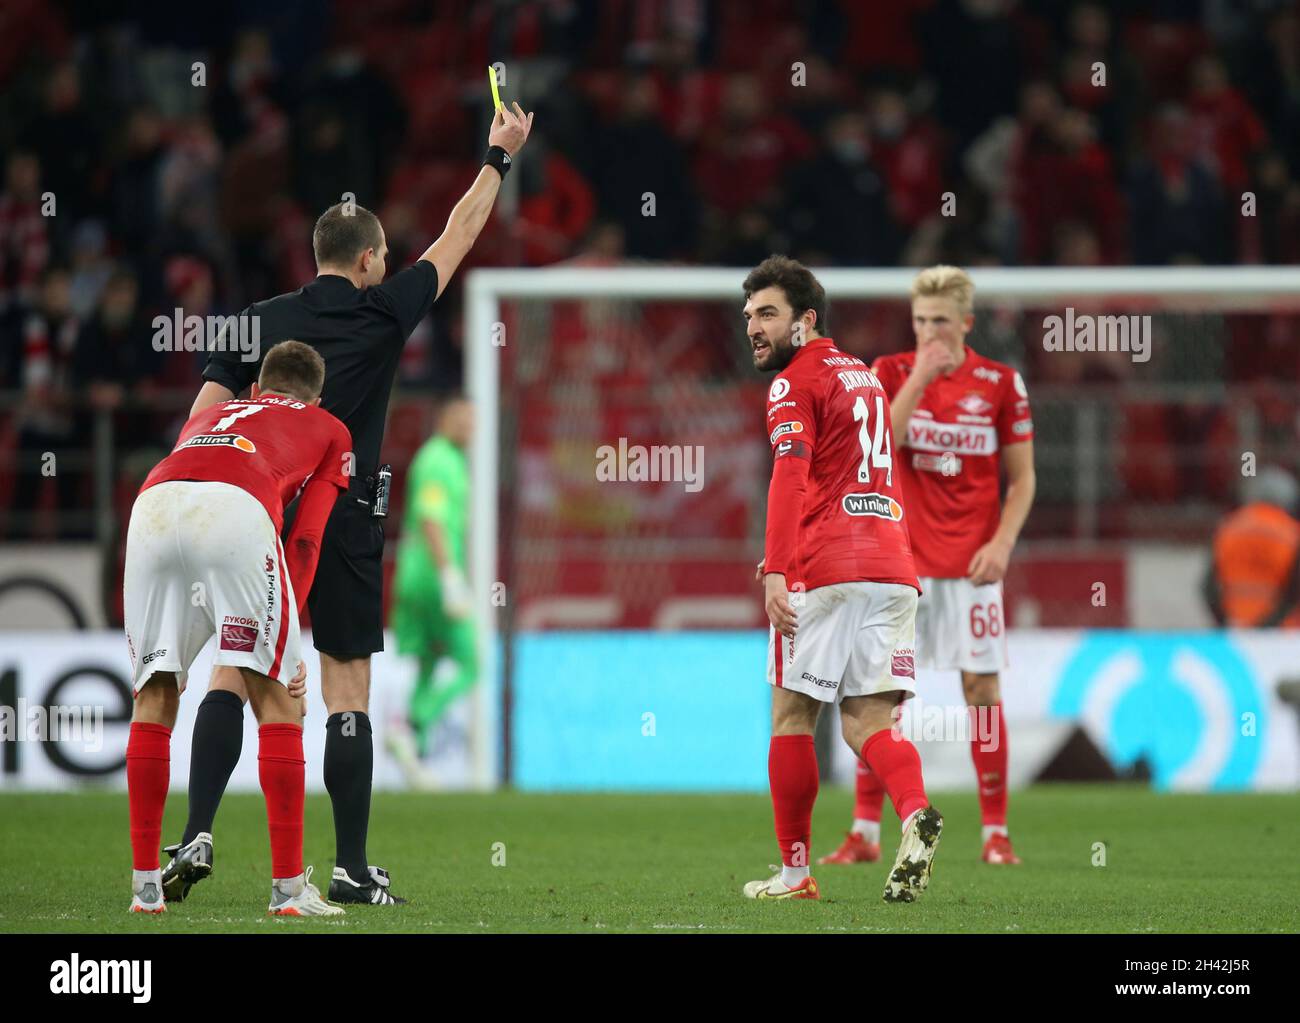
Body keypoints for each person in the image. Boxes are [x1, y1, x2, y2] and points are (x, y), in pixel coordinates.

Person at [161, 102, 533, 906]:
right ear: (368, 260)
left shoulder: (255, 322)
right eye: (386, 256)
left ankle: (196, 828)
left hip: (255, 517)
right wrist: (498, 157)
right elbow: (459, 235)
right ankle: (350, 867)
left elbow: (198, 428)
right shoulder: (385, 311)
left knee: (233, 666)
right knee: (347, 686)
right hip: (349, 513)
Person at [818, 265, 1036, 868]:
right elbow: (878, 445)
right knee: (878, 699)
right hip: (900, 566)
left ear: (966, 322)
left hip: (972, 569)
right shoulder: (888, 372)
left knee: (982, 693)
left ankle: (995, 833)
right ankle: (864, 831)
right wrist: (920, 375)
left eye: (940, 321)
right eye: (920, 321)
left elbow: (1022, 481)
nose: (929, 332)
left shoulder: (1000, 383)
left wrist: (1003, 545)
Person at [123, 341, 350, 916]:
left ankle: (146, 889)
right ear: (316, 397)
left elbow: (194, 474)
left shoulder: (209, 415)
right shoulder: (330, 428)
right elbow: (305, 538)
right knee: (278, 700)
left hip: (153, 500)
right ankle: (289, 891)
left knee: (154, 696)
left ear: (254, 390)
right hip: (237, 508)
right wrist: (289, 645)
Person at [743, 255, 942, 904]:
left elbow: (792, 475)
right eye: (748, 315)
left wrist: (777, 566)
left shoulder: (792, 382)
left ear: (805, 321)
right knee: (867, 724)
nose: (753, 326)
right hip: (892, 566)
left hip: (824, 569)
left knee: (792, 716)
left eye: (767, 313)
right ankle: (915, 812)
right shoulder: (863, 376)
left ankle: (796, 875)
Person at [387, 395, 476, 787]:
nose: (469, 427)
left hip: (414, 576)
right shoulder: (440, 460)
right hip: (431, 578)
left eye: (473, 420)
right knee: (473, 663)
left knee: (427, 661)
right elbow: (432, 521)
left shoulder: (448, 459)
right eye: (462, 418)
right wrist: (450, 578)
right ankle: (411, 724)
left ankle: (415, 757)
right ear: (444, 418)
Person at [1204, 466, 1300, 627]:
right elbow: (1294, 591)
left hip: (1236, 626)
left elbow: (1209, 587)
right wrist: (1267, 626)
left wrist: (1224, 622)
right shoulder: (1292, 534)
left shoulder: (1229, 528)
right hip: (1282, 636)